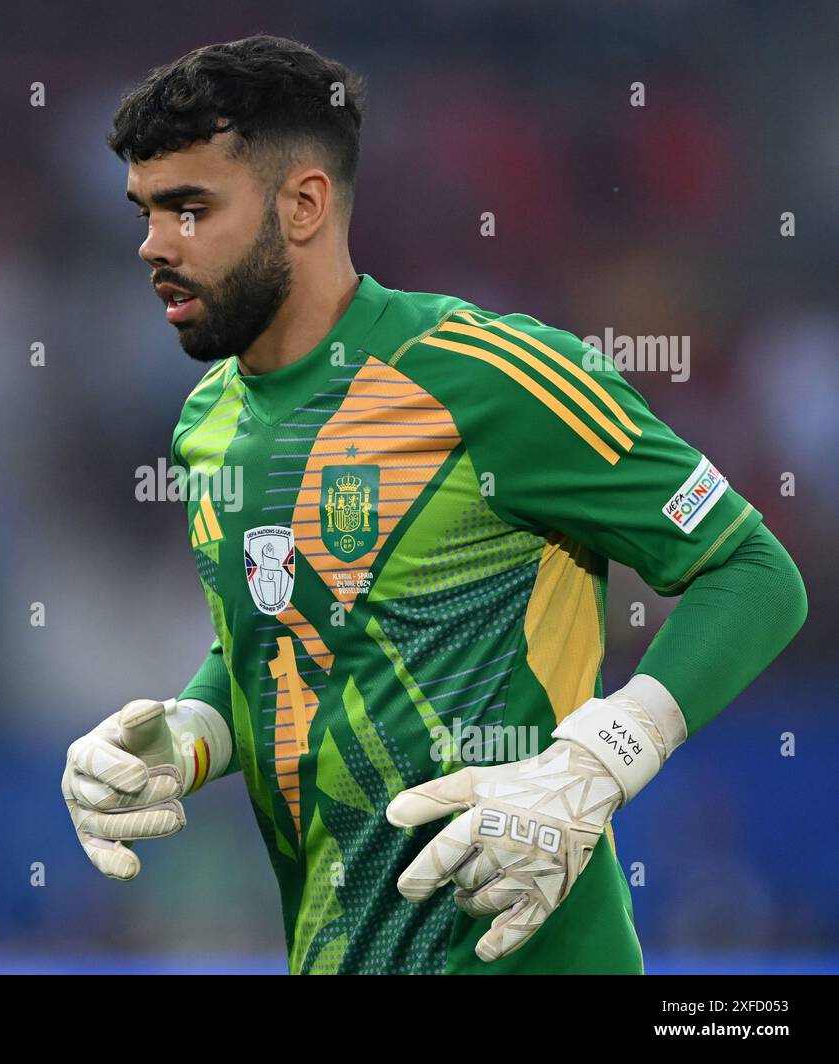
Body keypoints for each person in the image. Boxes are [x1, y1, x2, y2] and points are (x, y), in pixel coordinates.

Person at [61, 34, 807, 974]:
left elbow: (753, 571)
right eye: (145, 211)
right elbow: (284, 625)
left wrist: (601, 761)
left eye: (190, 209)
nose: (153, 245)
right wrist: (189, 737)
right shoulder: (208, 423)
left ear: (303, 205)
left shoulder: (492, 375)